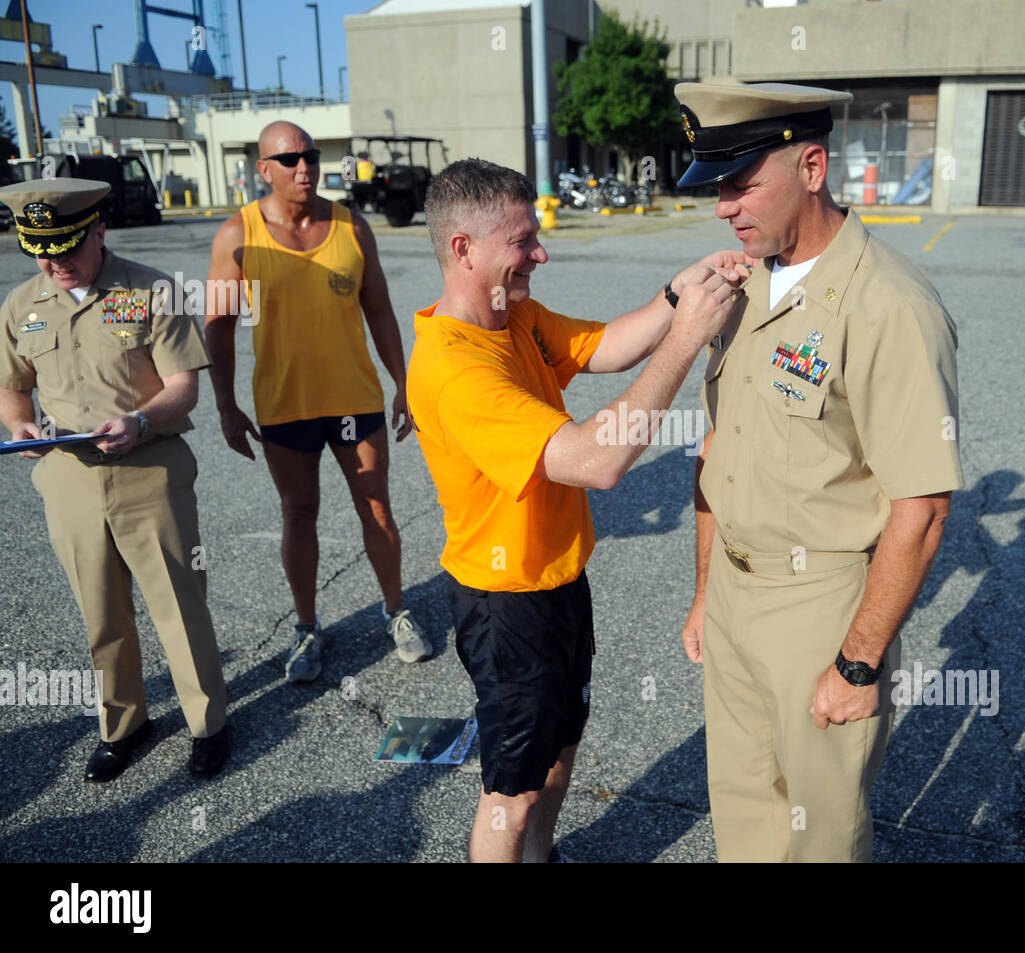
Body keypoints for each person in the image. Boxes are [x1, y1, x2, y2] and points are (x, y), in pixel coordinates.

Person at [406, 158, 747, 862]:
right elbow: (599, 460)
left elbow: (609, 346)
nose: (541, 251)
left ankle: (541, 855)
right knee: (512, 789)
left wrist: (675, 294)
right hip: (505, 605)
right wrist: (689, 336)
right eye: (523, 241)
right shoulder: (454, 369)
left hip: (559, 581)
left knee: (561, 749)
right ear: (463, 249)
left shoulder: (513, 315)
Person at [674, 81, 966, 862]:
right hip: (735, 599)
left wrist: (857, 660)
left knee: (820, 833)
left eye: (741, 185)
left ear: (811, 166)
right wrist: (707, 592)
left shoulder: (889, 306)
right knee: (743, 815)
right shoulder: (745, 287)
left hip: (819, 611)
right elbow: (716, 452)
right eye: (716, 188)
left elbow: (923, 509)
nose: (724, 207)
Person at [0, 178, 229, 780]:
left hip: (148, 470)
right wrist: (22, 425)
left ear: (100, 231)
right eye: (41, 252)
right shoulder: (23, 304)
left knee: (179, 605)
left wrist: (141, 420)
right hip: (69, 477)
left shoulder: (151, 291)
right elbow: (12, 383)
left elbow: (184, 387)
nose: (55, 264)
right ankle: (123, 724)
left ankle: (208, 724)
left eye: (68, 249)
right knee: (100, 614)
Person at [205, 121, 433, 682]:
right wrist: (225, 406)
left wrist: (404, 382)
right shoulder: (237, 234)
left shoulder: (352, 226)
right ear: (263, 169)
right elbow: (218, 324)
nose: (303, 166)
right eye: (288, 159)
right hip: (284, 404)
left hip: (354, 397)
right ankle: (307, 627)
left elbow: (379, 309)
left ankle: (395, 610)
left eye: (309, 155)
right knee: (298, 512)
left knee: (375, 505)